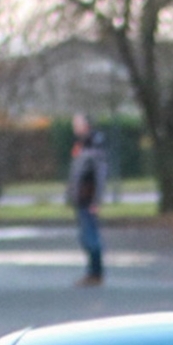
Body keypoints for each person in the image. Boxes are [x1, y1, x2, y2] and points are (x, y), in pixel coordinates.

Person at [68, 114, 108, 287]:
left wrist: (96, 201)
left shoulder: (94, 146)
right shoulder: (81, 145)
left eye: (77, 124)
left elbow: (100, 176)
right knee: (86, 237)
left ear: (86, 126)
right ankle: (92, 272)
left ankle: (95, 273)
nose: (74, 128)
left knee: (91, 237)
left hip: (88, 198)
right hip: (81, 199)